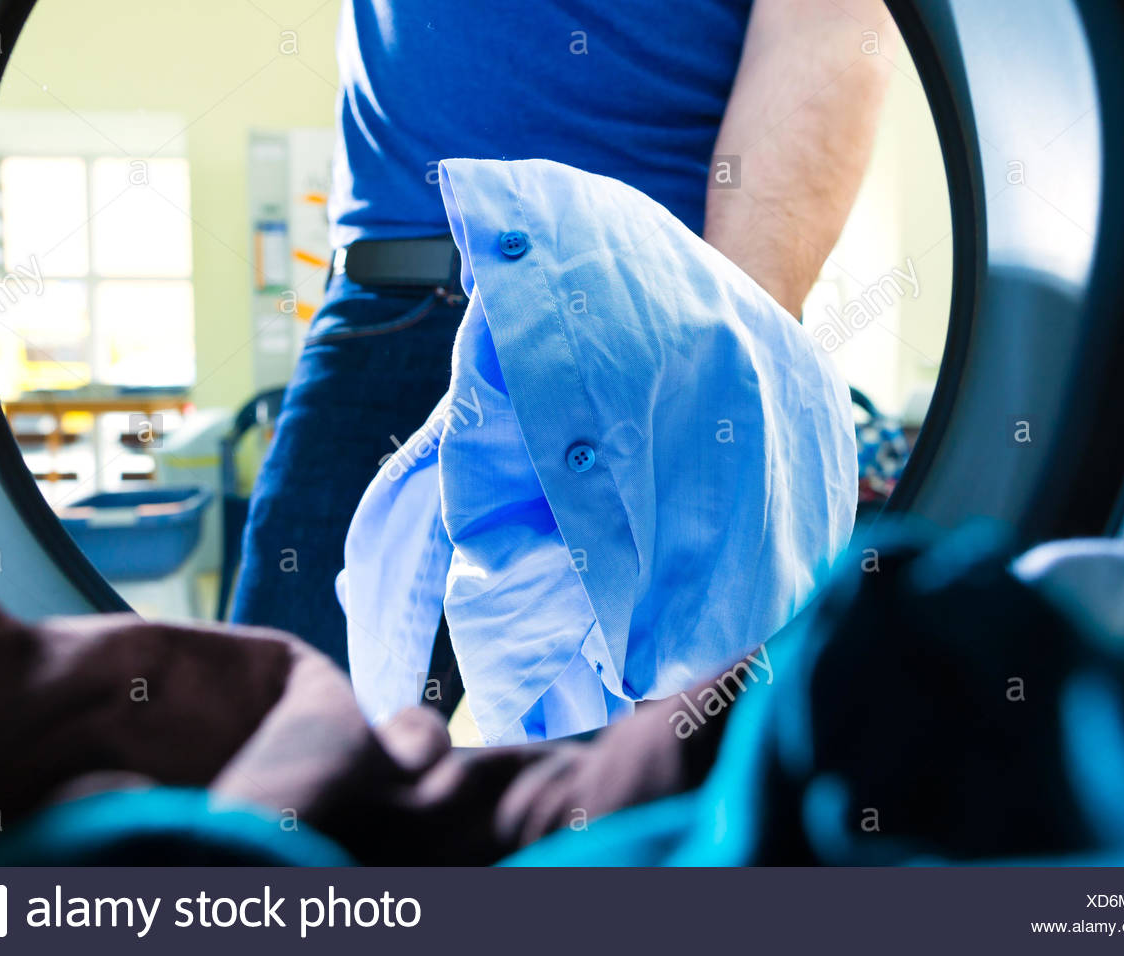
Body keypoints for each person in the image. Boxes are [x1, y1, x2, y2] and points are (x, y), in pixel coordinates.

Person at [231, 0, 896, 666]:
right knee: (267, 740)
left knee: (661, 753)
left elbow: (832, 22)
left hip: (657, 328)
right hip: (401, 298)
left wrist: (722, 364)